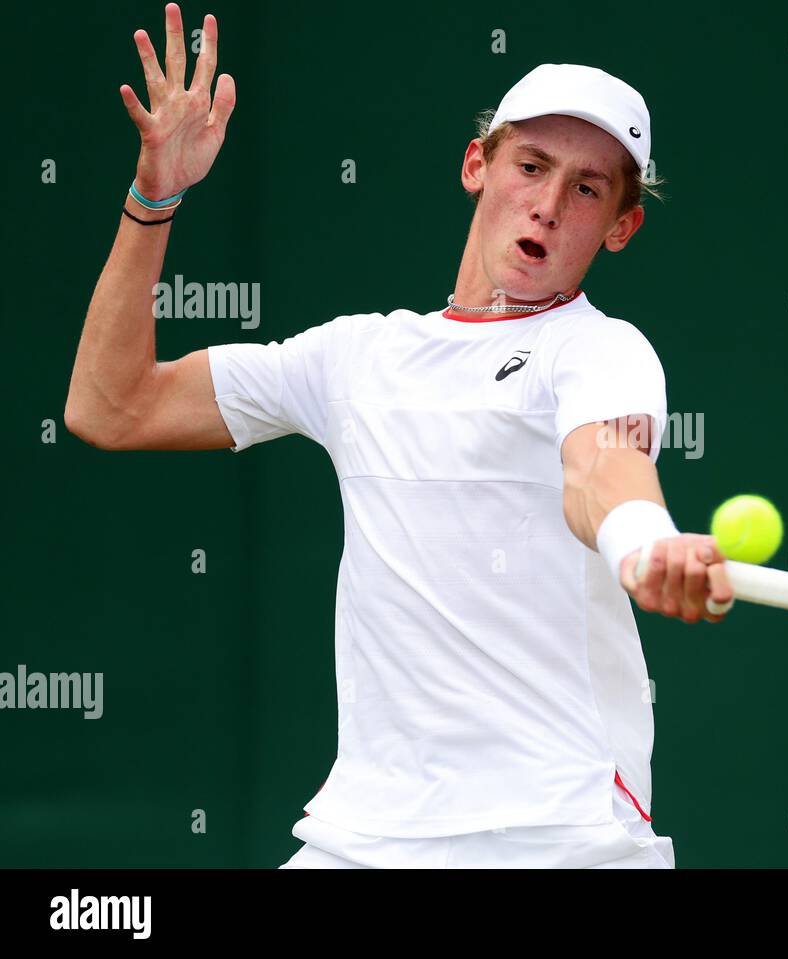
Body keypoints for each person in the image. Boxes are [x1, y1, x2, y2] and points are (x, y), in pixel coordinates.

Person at [64, 4, 735, 868]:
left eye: (587, 188)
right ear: (477, 166)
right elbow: (111, 407)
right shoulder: (354, 358)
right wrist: (154, 198)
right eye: (530, 166)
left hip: (564, 837)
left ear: (620, 226)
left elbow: (603, 466)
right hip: (366, 837)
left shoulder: (602, 350)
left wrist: (642, 544)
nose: (547, 205)